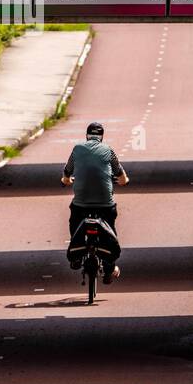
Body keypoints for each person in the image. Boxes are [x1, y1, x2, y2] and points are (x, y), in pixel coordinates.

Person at [61, 121, 129, 283]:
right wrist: (124, 180)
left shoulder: (77, 149)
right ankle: (110, 266)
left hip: (81, 203)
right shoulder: (108, 150)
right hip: (105, 202)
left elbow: (67, 171)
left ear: (87, 136)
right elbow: (120, 173)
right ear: (102, 137)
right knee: (109, 227)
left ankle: (76, 256)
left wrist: (66, 180)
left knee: (75, 222)